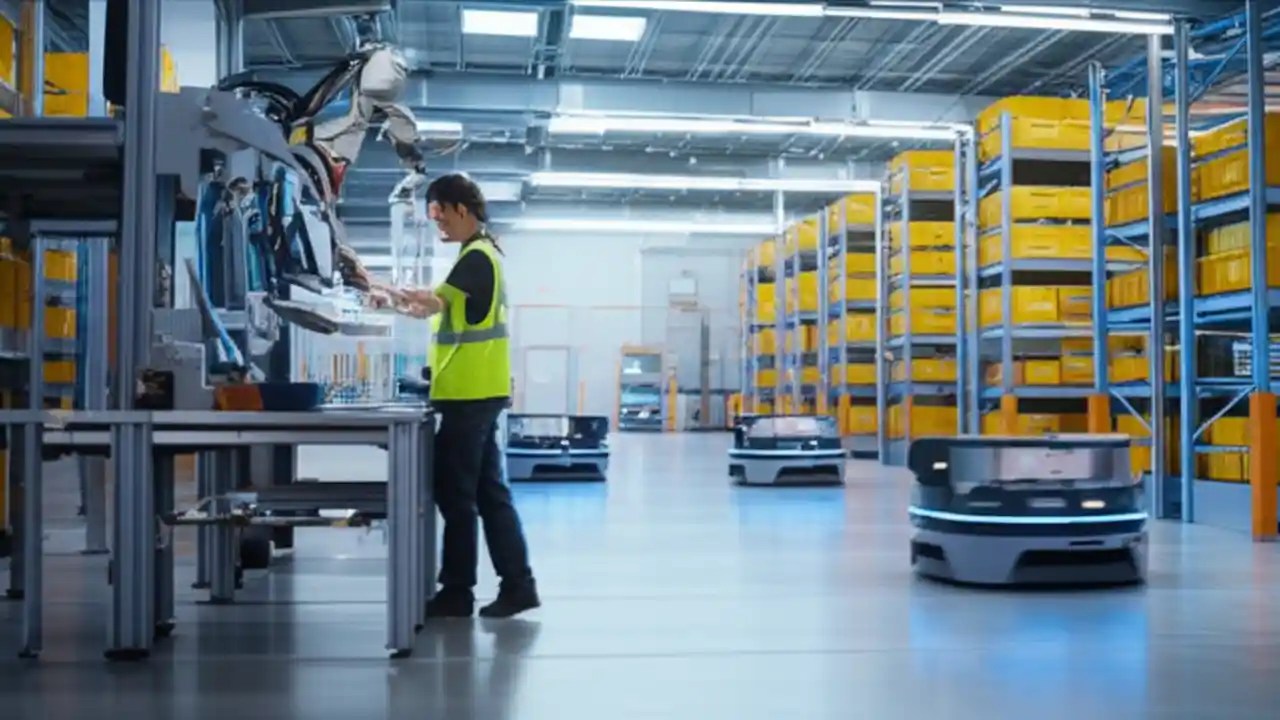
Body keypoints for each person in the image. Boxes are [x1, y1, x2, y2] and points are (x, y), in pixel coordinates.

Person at [394, 173, 540, 619]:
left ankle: (458, 592)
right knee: (489, 494)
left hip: (470, 397)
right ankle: (518, 585)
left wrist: (390, 295)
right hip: (476, 394)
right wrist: (389, 297)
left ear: (462, 208)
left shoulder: (476, 258)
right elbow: (432, 306)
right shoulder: (479, 255)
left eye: (439, 212)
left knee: (456, 496)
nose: (437, 221)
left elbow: (432, 304)